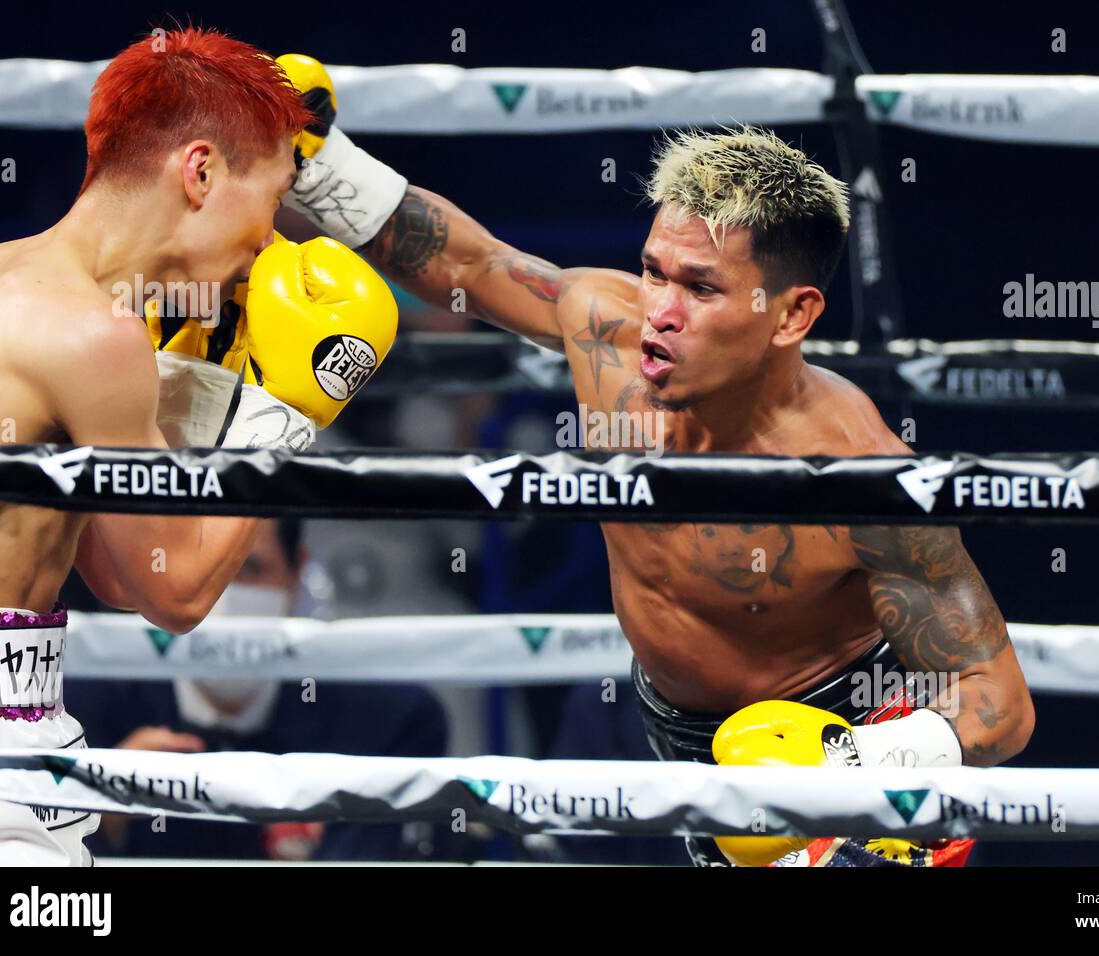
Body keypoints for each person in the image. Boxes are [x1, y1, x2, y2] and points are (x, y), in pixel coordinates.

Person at [278, 56, 1034, 866]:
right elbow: (467, 264)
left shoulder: (860, 476)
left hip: (841, 755)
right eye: (652, 272)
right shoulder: (609, 333)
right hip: (657, 738)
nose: (660, 315)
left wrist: (841, 775)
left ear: (793, 315)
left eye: (701, 289)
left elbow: (999, 706)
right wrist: (318, 164)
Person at [0, 29, 394, 865]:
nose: (271, 242)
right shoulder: (92, 335)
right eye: (269, 202)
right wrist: (286, 410)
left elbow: (122, 576)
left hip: (8, 719)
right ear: (199, 172)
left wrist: (190, 393)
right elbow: (180, 593)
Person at [67, 519, 451, 862]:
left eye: (248, 568)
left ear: (296, 570)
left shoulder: (387, 719)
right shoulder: (78, 712)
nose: (223, 594)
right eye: (199, 568)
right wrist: (98, 811)